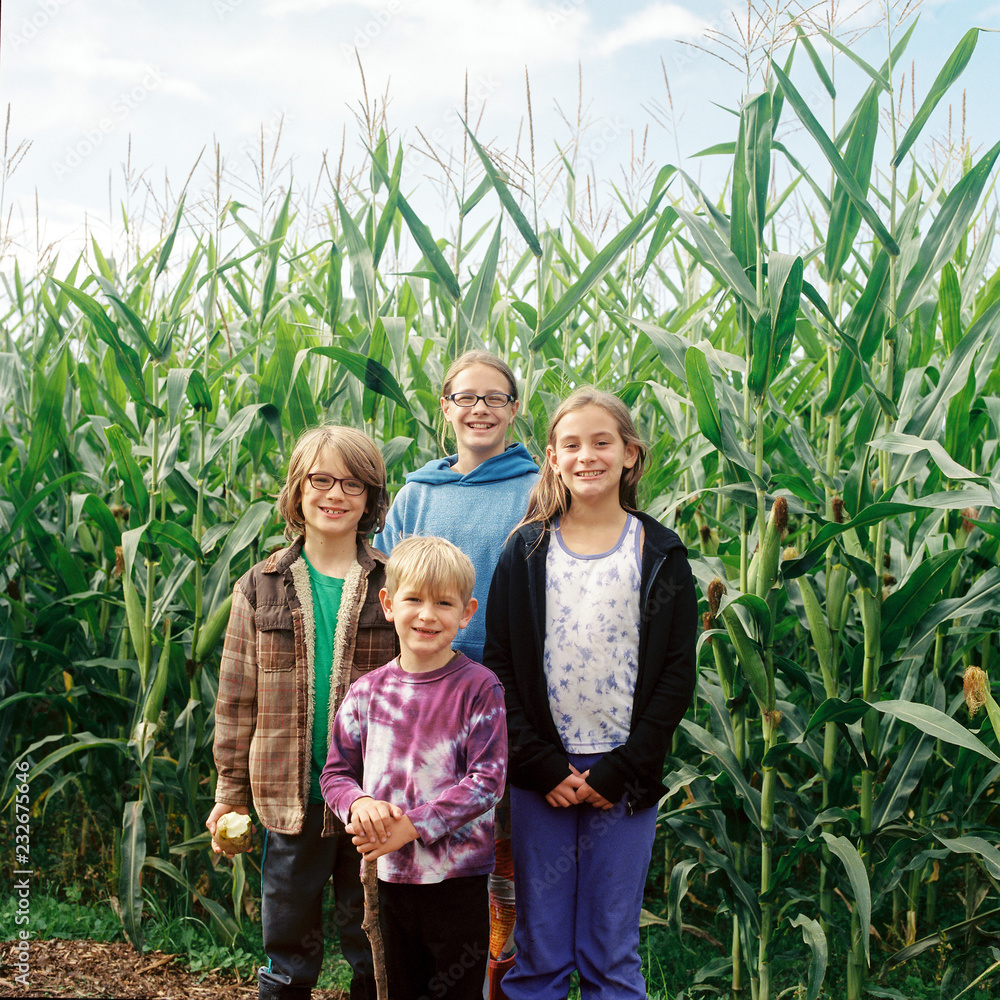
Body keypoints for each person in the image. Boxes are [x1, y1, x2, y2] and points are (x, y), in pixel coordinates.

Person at [483, 387, 698, 1000]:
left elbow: (676, 675)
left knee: (609, 952)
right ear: (551, 458)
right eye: (571, 445)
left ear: (630, 454)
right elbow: (499, 665)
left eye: (602, 442)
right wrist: (540, 762)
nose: (587, 456)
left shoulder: (659, 553)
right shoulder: (526, 550)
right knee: (540, 950)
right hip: (539, 776)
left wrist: (624, 769)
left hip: (623, 779)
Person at [207, 425, 398, 1000]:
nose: (335, 494)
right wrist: (228, 793)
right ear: (297, 490)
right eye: (321, 480)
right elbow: (237, 699)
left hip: (369, 802)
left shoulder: (393, 586)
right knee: (288, 948)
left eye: (353, 483)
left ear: (370, 498)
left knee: (372, 942)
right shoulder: (258, 587)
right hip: (288, 799)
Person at [374, 349, 538, 992]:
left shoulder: (534, 487)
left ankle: (499, 977)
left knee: (498, 849)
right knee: (431, 840)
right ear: (445, 408)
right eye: (466, 398)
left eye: (494, 398)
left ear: (513, 409)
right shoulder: (417, 494)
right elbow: (386, 588)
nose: (479, 409)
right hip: (422, 694)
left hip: (501, 685)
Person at [321, 535, 507, 1000]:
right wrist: (358, 803)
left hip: (457, 880)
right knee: (393, 987)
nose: (427, 615)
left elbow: (487, 783)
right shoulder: (368, 692)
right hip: (386, 879)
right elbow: (335, 774)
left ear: (467, 613)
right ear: (387, 603)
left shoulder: (479, 688)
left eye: (444, 603)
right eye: (414, 600)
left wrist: (412, 826)